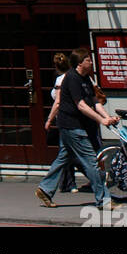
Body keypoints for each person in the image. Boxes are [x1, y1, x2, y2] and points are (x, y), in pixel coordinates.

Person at [35, 47, 120, 208]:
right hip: (72, 126)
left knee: (64, 158)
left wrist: (107, 117)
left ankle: (45, 190)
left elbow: (94, 102)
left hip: (80, 126)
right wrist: (101, 121)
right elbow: (80, 105)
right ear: (80, 63)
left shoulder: (86, 78)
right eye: (88, 59)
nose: (91, 61)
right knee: (91, 162)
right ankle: (103, 200)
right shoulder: (72, 78)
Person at [43, 51, 77, 193]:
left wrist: (49, 120)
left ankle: (50, 186)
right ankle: (66, 183)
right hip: (71, 121)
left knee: (71, 154)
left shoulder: (61, 80)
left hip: (66, 121)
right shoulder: (75, 77)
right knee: (67, 153)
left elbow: (57, 102)